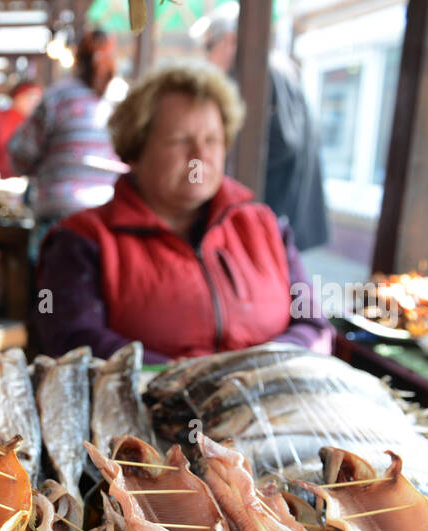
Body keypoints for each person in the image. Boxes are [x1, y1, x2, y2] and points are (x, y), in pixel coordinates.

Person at [30, 61, 332, 362]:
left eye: (212, 140)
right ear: (135, 149)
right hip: (150, 404)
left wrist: (265, 366)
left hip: (271, 396)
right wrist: (191, 380)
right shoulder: (81, 241)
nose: (199, 157)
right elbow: (71, 338)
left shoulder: (267, 228)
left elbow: (311, 322)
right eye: (180, 141)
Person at [201, 3, 329, 251]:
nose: (207, 56)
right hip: (282, 207)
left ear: (229, 40)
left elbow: (283, 140)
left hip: (279, 207)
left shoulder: (263, 70)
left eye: (209, 47)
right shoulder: (271, 66)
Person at [8, 30, 124, 259]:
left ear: (76, 60)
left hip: (59, 215)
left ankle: (46, 298)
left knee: (50, 289)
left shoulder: (57, 97)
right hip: (110, 216)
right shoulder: (121, 100)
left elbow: (23, 153)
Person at [0, 81, 42, 177]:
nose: (34, 103)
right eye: (29, 97)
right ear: (17, 97)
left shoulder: (40, 123)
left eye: (38, 99)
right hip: (1, 181)